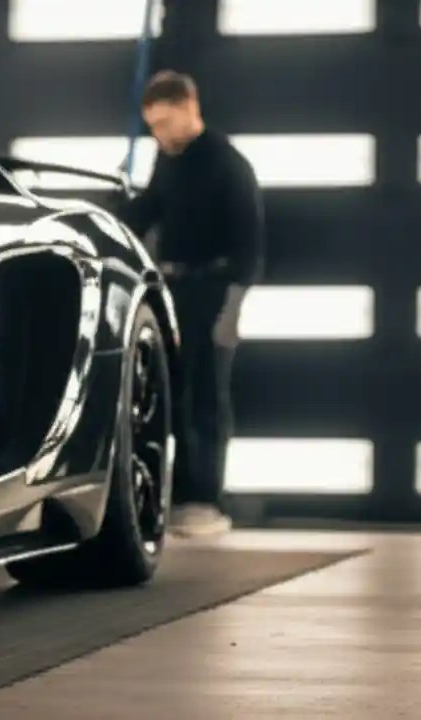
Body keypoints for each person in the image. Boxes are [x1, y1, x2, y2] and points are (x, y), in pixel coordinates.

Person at [116, 70, 264, 537]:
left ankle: (206, 499)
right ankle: (176, 496)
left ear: (189, 107)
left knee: (207, 397)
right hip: (173, 291)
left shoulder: (228, 164)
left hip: (213, 291)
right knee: (174, 396)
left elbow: (249, 248)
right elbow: (148, 210)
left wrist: (230, 313)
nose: (160, 134)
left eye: (166, 123)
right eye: (153, 126)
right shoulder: (168, 160)